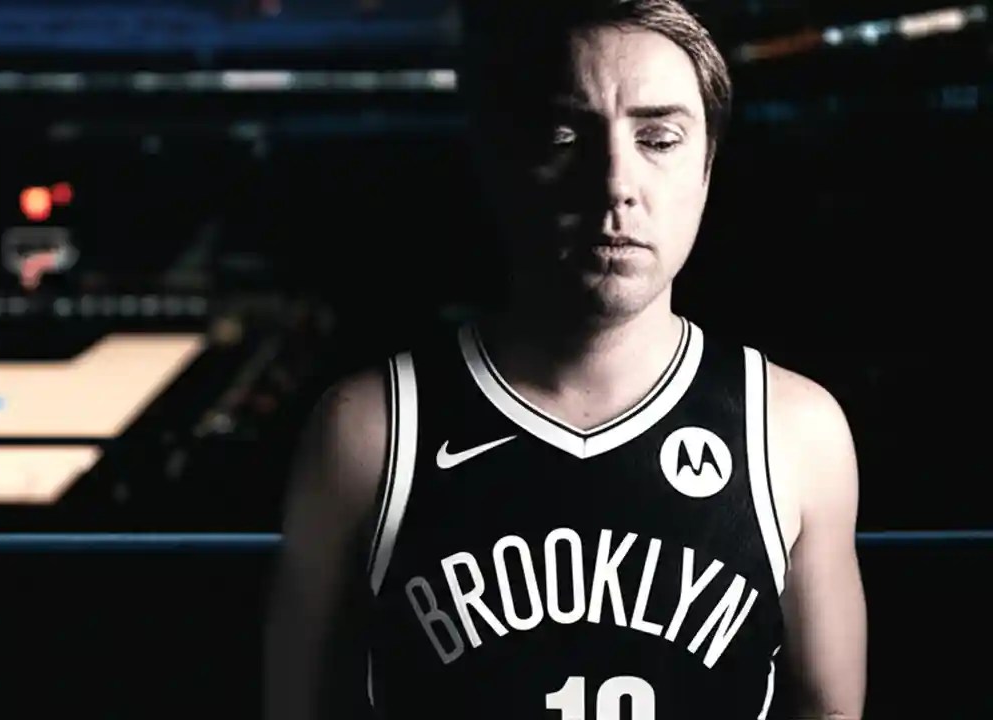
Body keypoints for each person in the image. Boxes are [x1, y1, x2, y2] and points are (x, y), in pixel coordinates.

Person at [264, 1, 867, 718]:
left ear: (707, 167)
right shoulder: (369, 431)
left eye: (660, 138)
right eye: (564, 133)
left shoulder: (796, 433)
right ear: (503, 162)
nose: (616, 181)